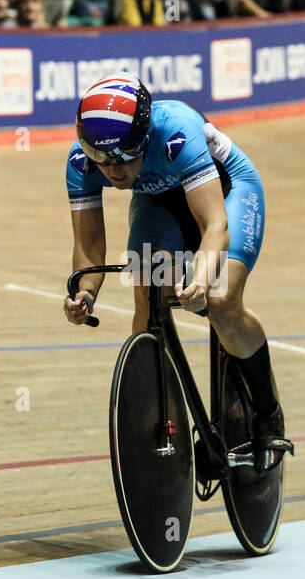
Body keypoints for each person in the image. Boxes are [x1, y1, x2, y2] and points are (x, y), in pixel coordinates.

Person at [63, 72, 288, 471]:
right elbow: (89, 248)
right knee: (149, 299)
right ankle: (163, 426)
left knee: (219, 300)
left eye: (124, 155)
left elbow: (213, 226)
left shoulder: (176, 132)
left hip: (228, 187)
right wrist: (85, 295)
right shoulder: (84, 161)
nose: (112, 170)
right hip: (159, 198)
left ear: (145, 137)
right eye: (101, 157)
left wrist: (200, 280)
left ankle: (267, 412)